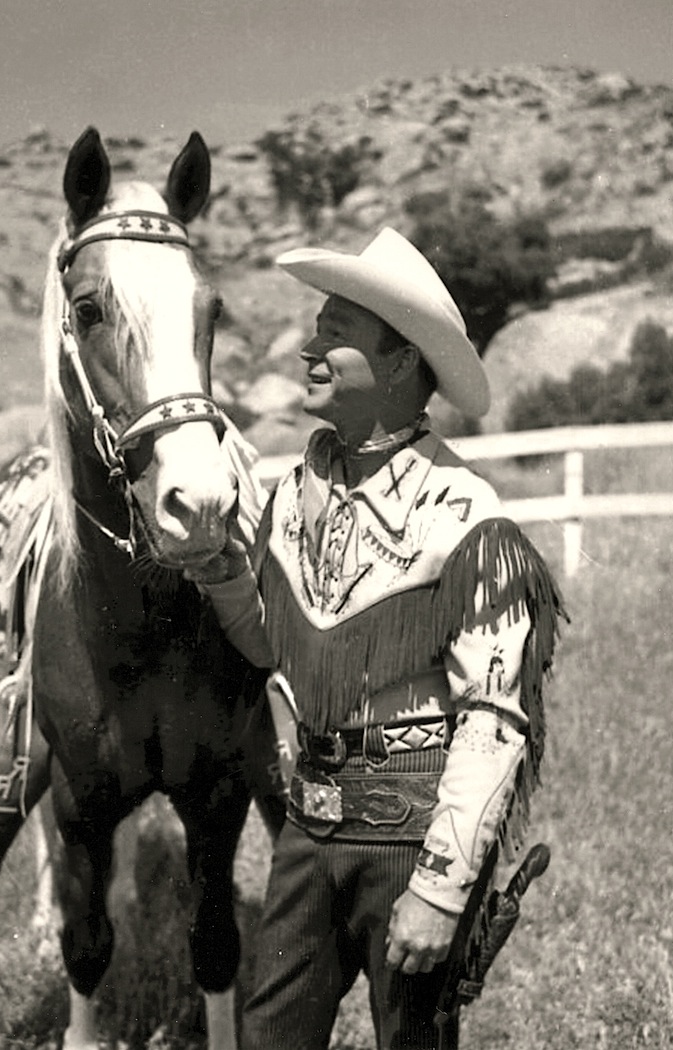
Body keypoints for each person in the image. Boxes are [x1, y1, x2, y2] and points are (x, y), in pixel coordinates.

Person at [187, 228, 565, 1049]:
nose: (308, 350)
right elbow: (269, 652)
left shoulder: (465, 517)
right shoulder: (290, 495)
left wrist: (439, 887)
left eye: (335, 334)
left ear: (399, 364)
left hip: (409, 837)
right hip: (305, 828)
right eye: (315, 330)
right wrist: (221, 574)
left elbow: (494, 721)